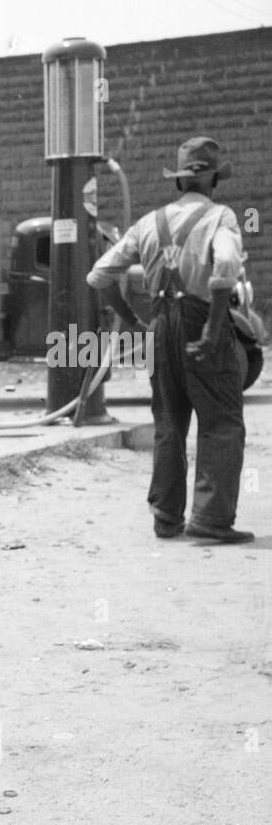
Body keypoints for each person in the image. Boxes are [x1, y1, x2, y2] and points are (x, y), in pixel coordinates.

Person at [87, 137, 252, 544]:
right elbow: (227, 265)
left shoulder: (149, 223)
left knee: (169, 422)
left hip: (161, 327)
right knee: (222, 422)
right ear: (213, 179)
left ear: (179, 182)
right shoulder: (221, 217)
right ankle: (211, 519)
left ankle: (166, 516)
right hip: (201, 320)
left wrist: (132, 321)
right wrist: (214, 329)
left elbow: (100, 274)